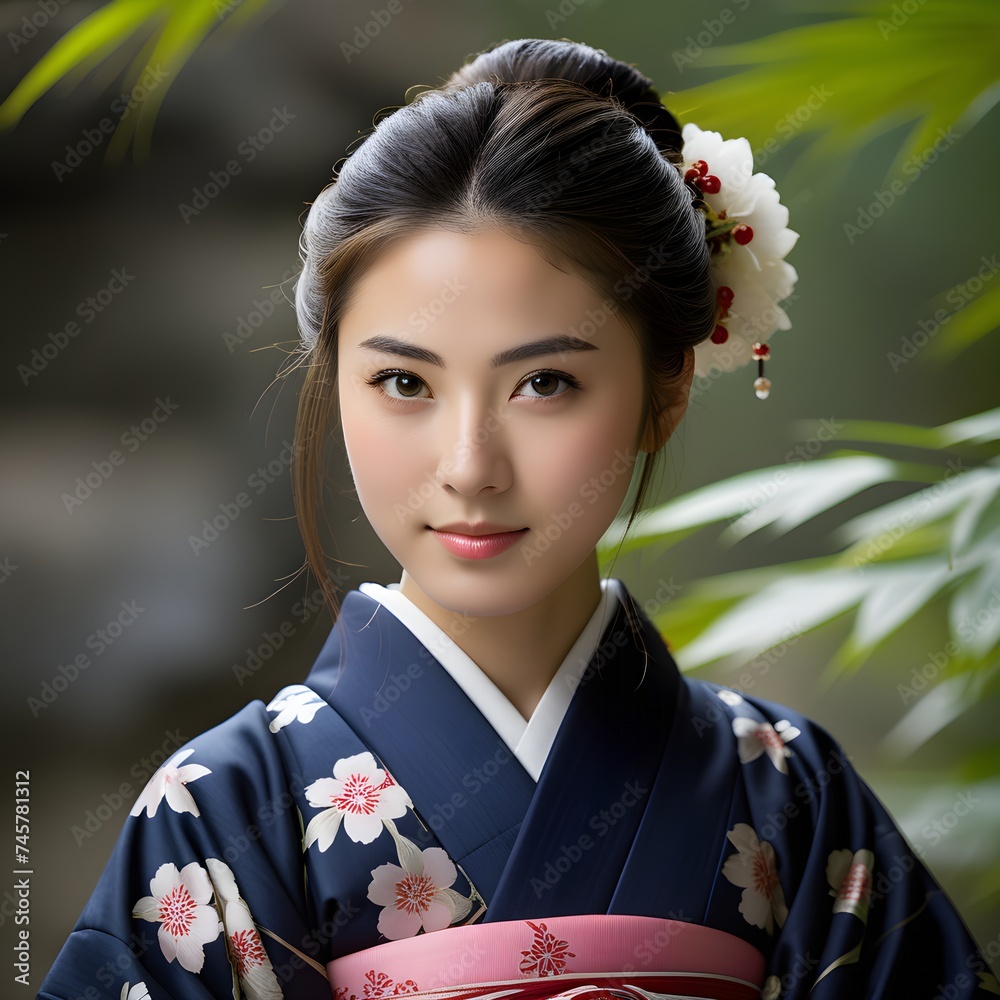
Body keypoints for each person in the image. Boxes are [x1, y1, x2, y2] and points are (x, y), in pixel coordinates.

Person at [38, 37, 996, 1000]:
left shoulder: (791, 796)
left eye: (545, 383)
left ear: (665, 390)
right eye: (403, 381)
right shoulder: (230, 807)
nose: (469, 468)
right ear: (335, 386)